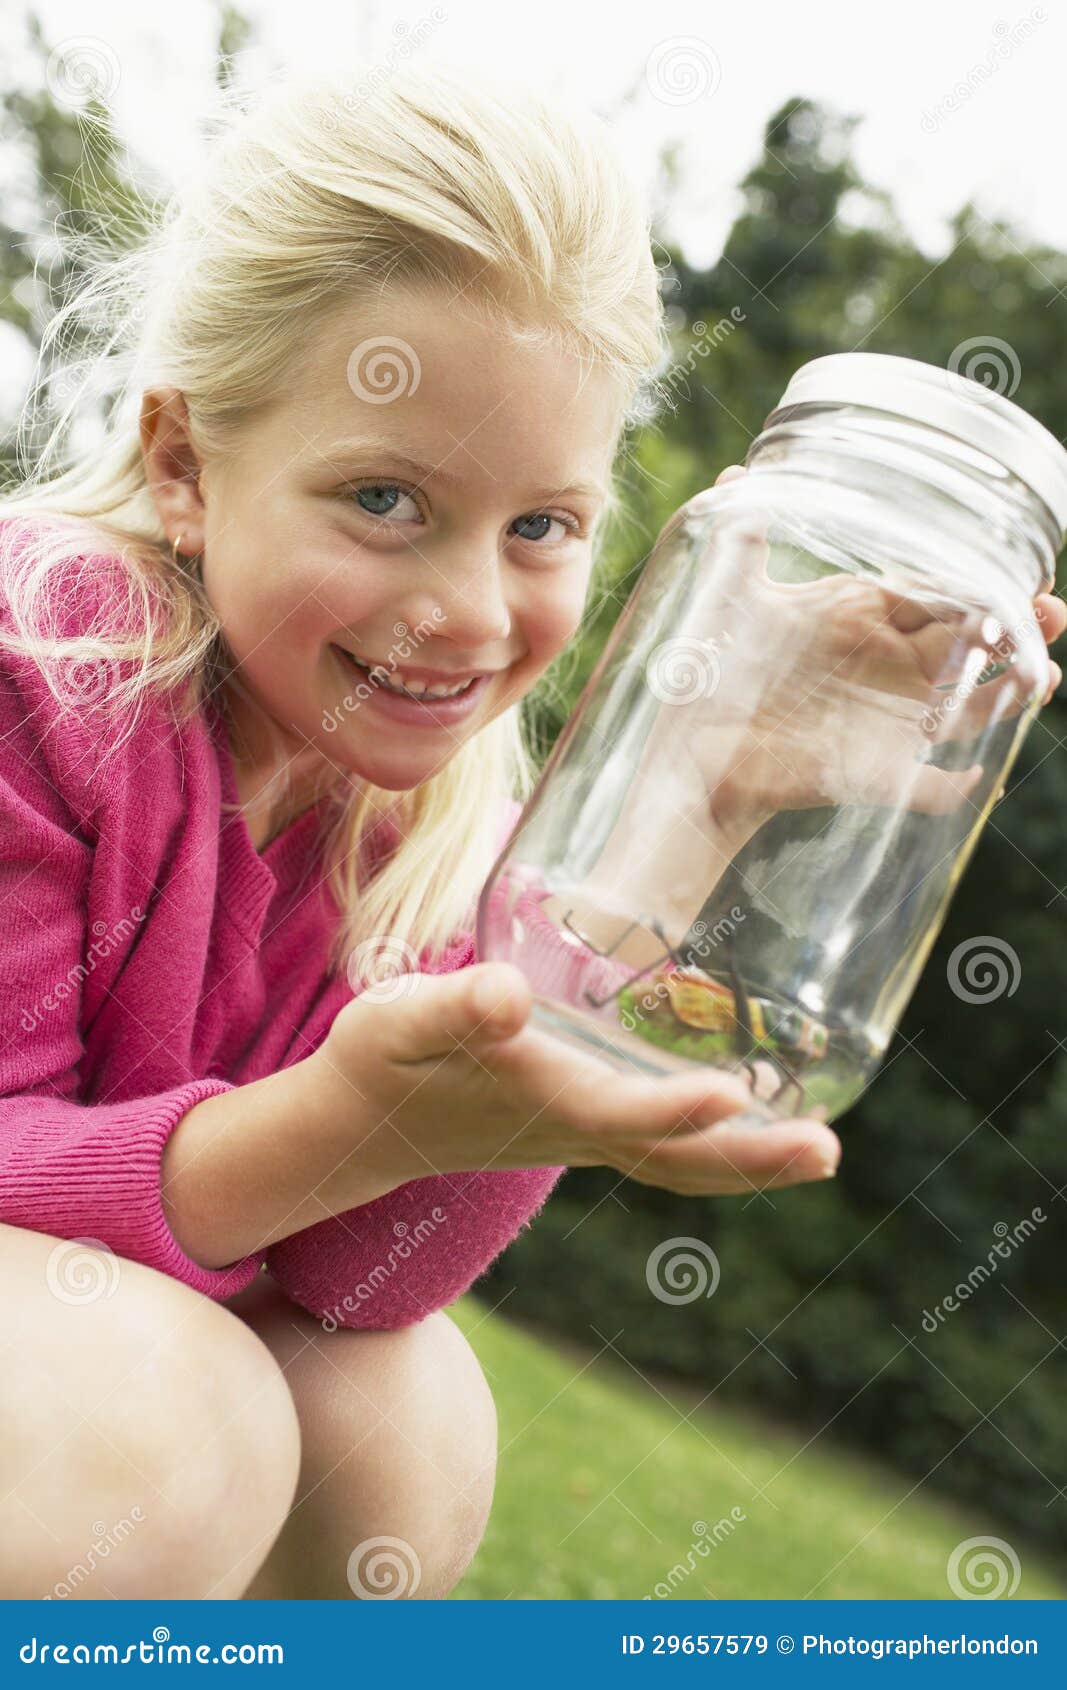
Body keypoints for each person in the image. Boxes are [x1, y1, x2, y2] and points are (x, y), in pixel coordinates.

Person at [0, 62, 1061, 1604]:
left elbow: (359, 1278)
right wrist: (350, 1118)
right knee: (169, 1421)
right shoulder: (45, 658)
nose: (474, 615)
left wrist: (691, 800)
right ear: (184, 467)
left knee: (404, 1425)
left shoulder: (419, 804)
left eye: (541, 526)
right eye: (382, 497)